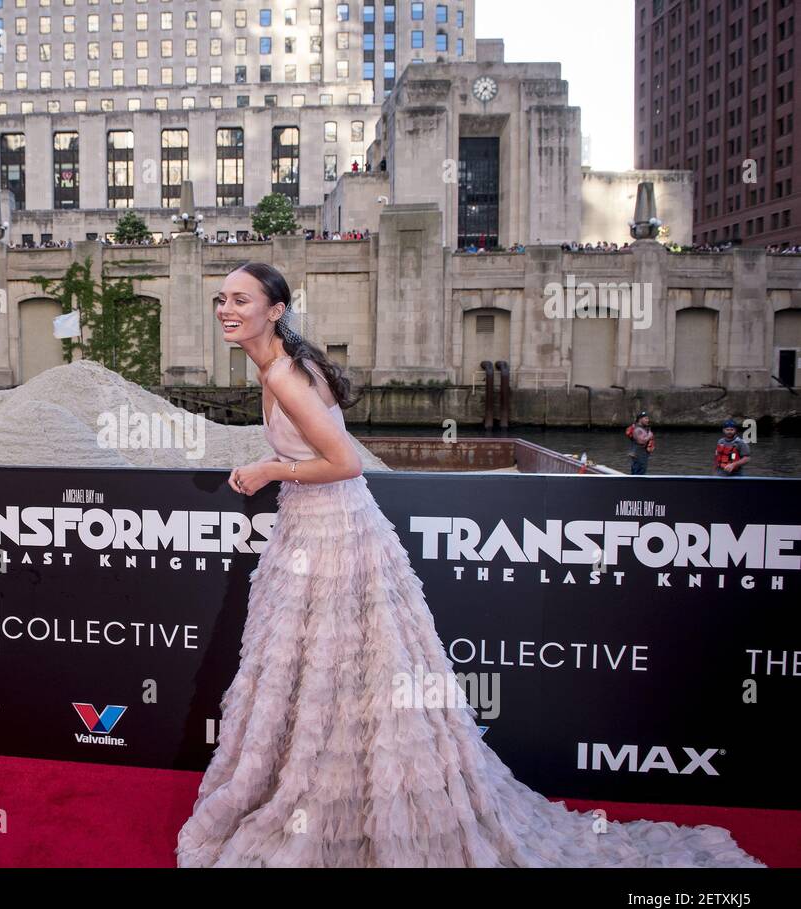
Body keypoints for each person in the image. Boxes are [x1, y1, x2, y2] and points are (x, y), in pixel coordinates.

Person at [176, 261, 764, 868]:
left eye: (240, 299)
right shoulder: (282, 368)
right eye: (222, 297)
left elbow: (345, 461)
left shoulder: (287, 376)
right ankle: (337, 801)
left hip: (328, 530)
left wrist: (269, 469)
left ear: (274, 310)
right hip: (326, 525)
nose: (226, 308)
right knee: (344, 670)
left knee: (340, 666)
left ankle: (338, 806)